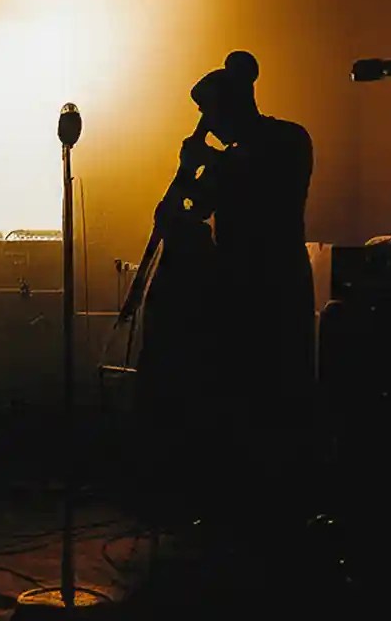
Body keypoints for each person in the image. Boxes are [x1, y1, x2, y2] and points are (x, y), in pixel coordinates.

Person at [137, 51, 316, 541]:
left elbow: (264, 180)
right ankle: (233, 505)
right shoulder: (230, 156)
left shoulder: (287, 139)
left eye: (210, 114)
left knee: (278, 387)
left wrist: (207, 161)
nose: (206, 125)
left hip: (275, 282)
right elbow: (200, 207)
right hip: (233, 284)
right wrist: (178, 196)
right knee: (235, 390)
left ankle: (282, 511)